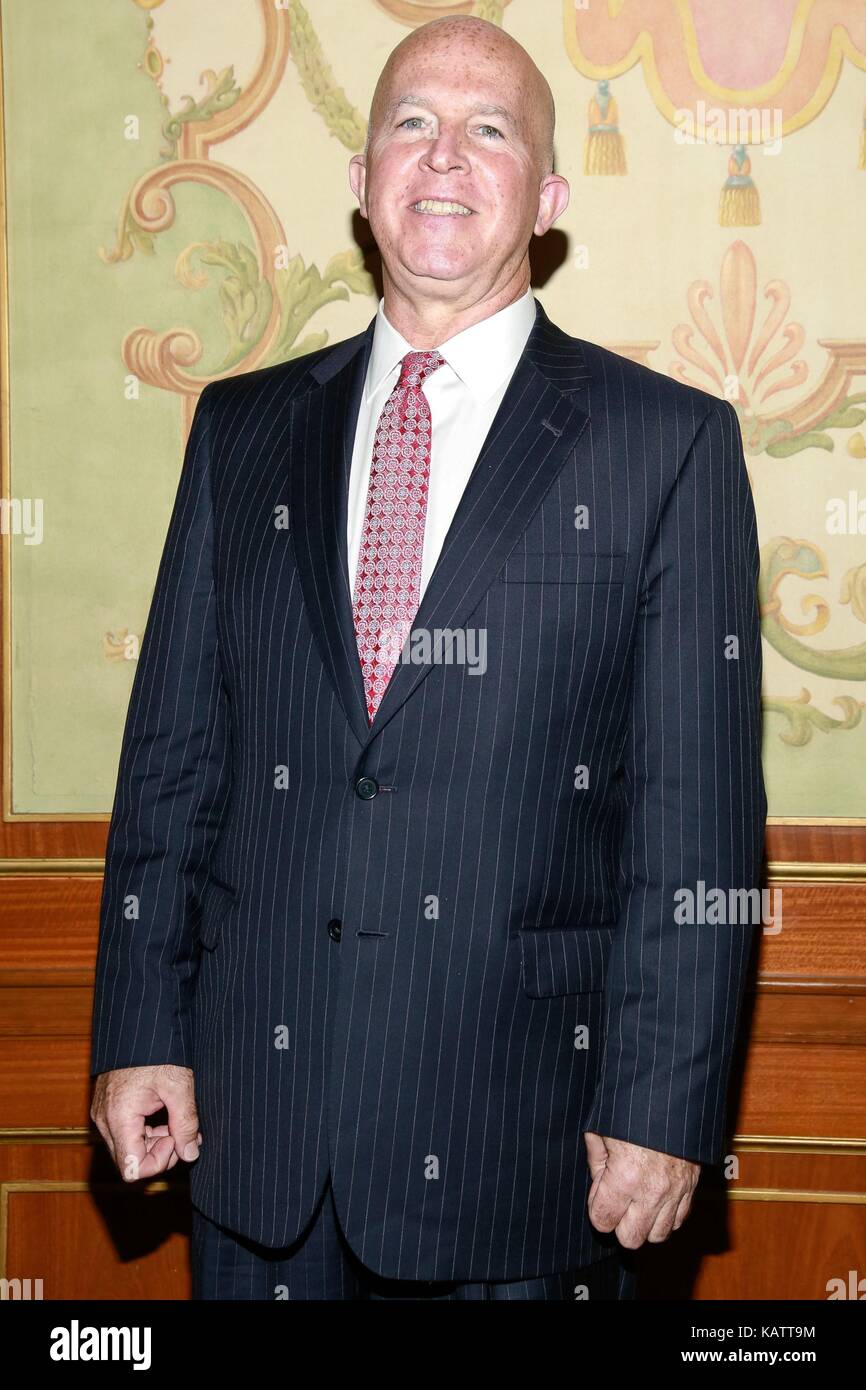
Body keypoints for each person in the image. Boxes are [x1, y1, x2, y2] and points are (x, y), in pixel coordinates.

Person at [90, 15, 766, 1301]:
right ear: (360, 181)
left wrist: (668, 1104)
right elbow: (174, 762)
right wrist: (136, 1029)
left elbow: (696, 827)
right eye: (409, 122)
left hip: (530, 1159)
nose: (442, 156)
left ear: (546, 199)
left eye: (488, 129)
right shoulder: (240, 433)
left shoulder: (662, 448)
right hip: (256, 1146)